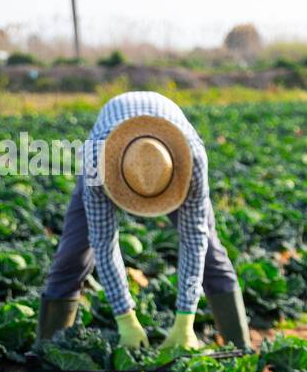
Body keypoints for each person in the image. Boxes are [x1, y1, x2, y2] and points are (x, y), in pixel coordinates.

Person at [37, 91, 251, 350]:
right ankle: (48, 353)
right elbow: (103, 242)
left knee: (210, 253)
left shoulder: (191, 159)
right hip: (107, 153)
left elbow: (194, 239)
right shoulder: (97, 160)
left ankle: (240, 352)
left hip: (174, 157)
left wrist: (185, 319)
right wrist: (125, 317)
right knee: (73, 254)